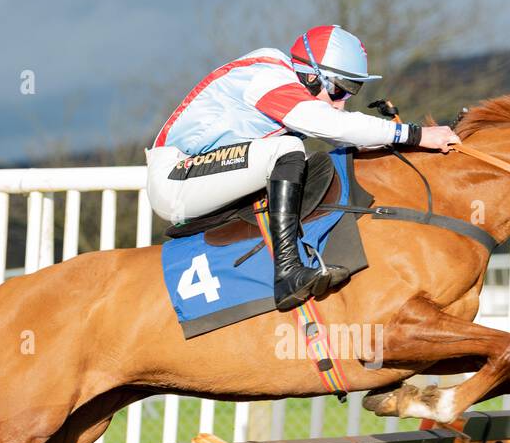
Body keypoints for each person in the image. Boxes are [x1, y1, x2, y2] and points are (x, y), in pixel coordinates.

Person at [146, 24, 460, 311]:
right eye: (338, 89)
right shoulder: (267, 77)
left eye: (351, 93)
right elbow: (332, 125)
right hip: (176, 179)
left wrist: (410, 143)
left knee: (309, 159)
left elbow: (347, 137)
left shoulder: (288, 85)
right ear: (310, 76)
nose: (341, 102)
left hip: (201, 174)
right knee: (288, 149)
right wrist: (415, 133)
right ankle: (288, 272)